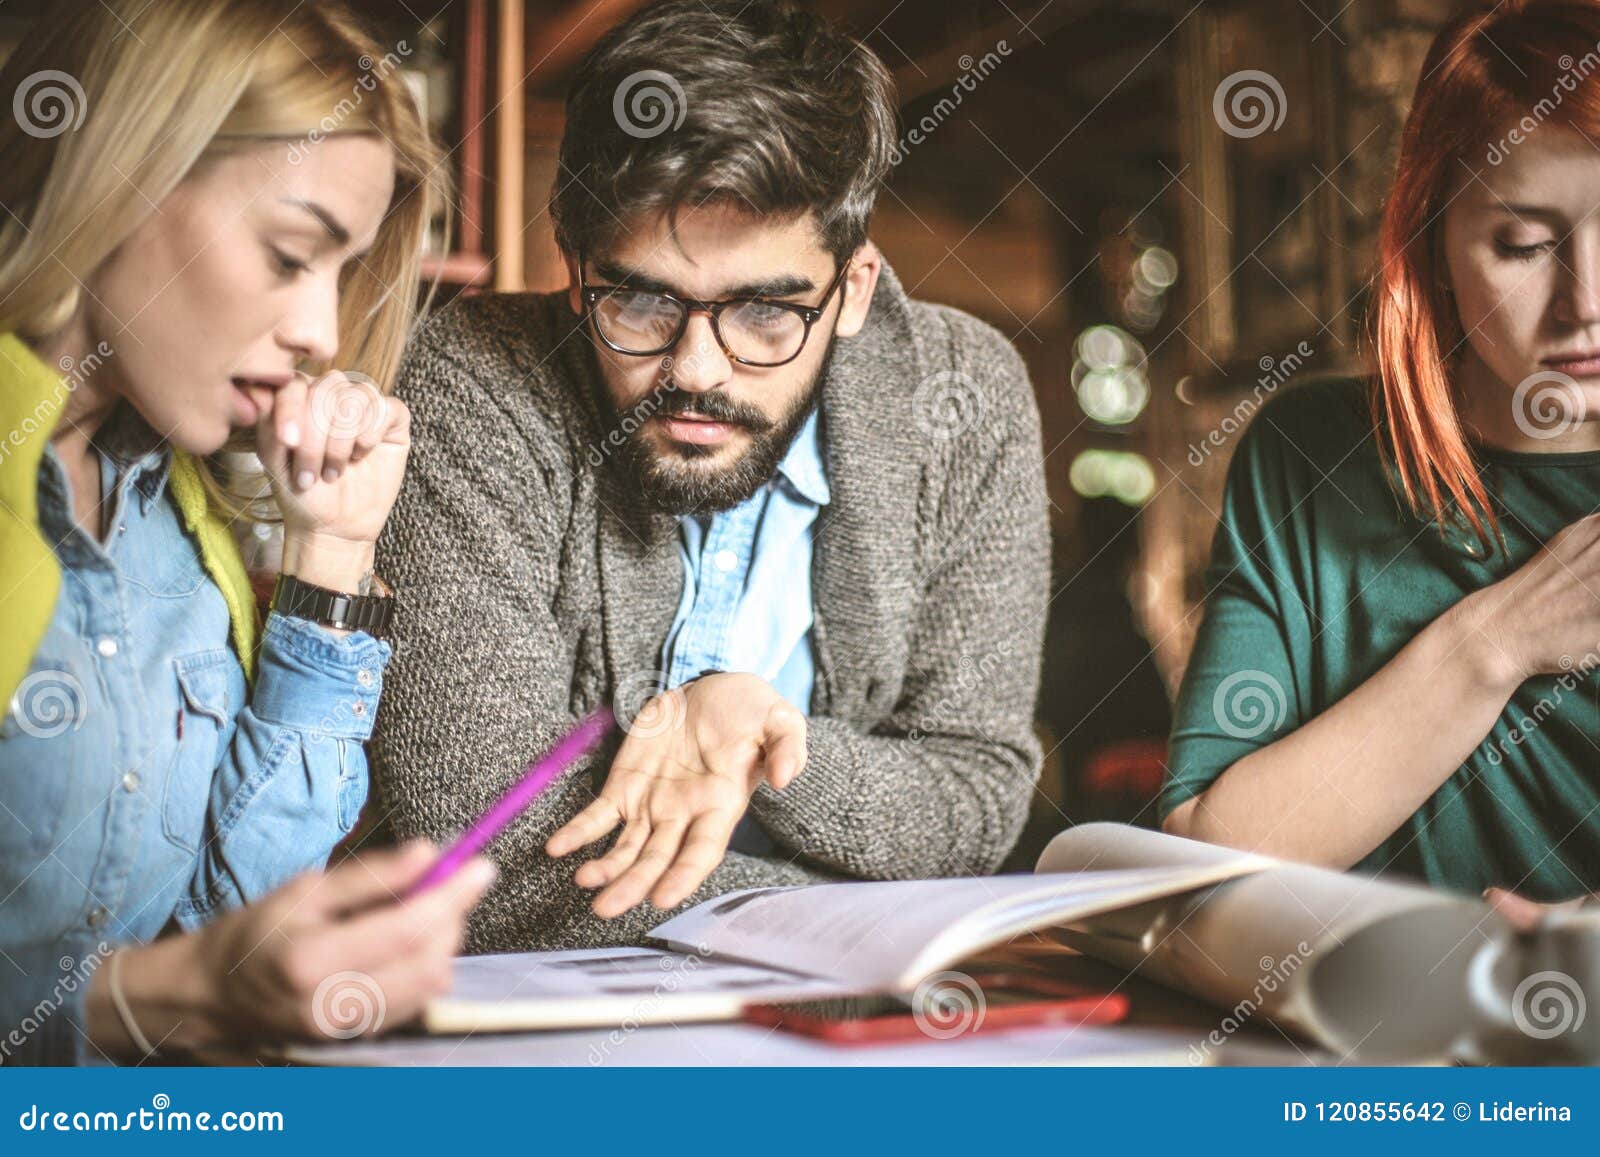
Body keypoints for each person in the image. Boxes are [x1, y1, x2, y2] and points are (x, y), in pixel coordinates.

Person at [372, 0, 1051, 952]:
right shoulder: (474, 376)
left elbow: (976, 796)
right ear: (575, 272)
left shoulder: (961, 401)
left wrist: (769, 744)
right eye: (644, 300)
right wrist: (835, 915)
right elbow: (478, 844)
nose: (698, 370)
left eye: (766, 314)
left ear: (850, 291)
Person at [0, 0, 492, 1065]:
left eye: (341, 271)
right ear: (114, 176)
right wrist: (161, 995)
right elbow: (193, 989)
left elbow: (251, 930)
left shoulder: (181, 515)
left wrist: (333, 548)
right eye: (287, 254)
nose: (320, 332)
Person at [1162, 0, 1600, 916]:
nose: (1583, 302)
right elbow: (1208, 859)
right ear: (1432, 244)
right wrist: (1496, 642)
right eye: (1523, 245)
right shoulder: (1310, 457)